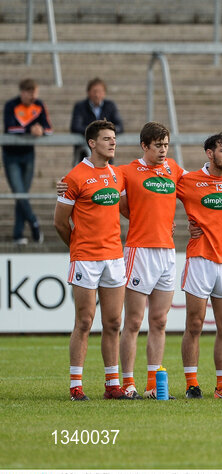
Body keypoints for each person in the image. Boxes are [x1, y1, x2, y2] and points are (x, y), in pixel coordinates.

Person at [55, 119, 127, 400]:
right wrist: (77, 248)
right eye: (107, 139)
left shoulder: (117, 175)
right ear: (92, 143)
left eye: (114, 138)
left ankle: (112, 385)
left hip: (114, 258)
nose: (113, 143)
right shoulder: (74, 177)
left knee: (113, 323)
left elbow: (127, 208)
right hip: (86, 258)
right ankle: (76, 385)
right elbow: (60, 223)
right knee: (84, 322)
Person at [117, 122, 185, 399]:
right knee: (133, 321)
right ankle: (128, 382)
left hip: (167, 252)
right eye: (158, 145)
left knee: (159, 321)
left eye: (166, 145)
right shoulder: (127, 171)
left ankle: (152, 383)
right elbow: (114, 198)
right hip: (139, 251)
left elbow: (201, 186)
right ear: (145, 146)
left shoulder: (173, 169)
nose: (163, 150)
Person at [176, 133, 222, 399]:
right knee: (194, 324)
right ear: (209, 153)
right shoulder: (189, 181)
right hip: (200, 259)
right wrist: (177, 225)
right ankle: (192, 384)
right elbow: (157, 196)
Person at [4, 78, 52, 245]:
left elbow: (49, 128)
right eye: (29, 92)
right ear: (22, 92)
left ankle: (18, 234)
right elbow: (9, 128)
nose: (32, 96)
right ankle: (33, 221)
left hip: (28, 154)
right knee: (20, 192)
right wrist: (28, 130)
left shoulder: (39, 105)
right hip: (11, 155)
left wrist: (40, 130)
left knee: (23, 193)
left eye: (34, 92)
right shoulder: (11, 105)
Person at [71, 78, 123, 164]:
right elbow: (75, 126)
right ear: (88, 92)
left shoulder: (110, 106)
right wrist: (96, 133)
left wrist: (105, 134)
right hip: (85, 153)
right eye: (94, 91)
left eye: (100, 91)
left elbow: (119, 126)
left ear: (104, 93)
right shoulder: (80, 106)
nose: (97, 95)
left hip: (106, 155)